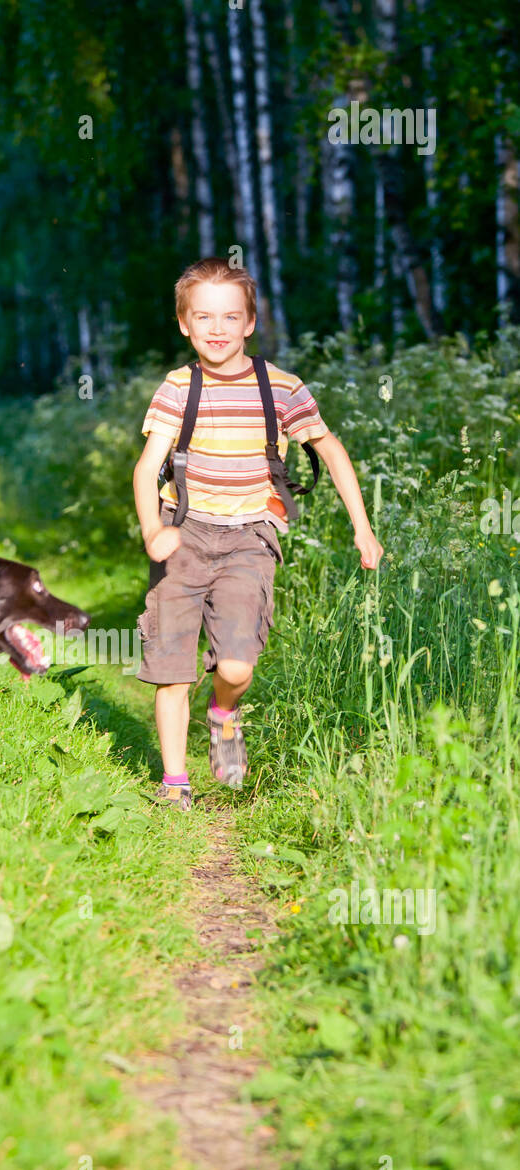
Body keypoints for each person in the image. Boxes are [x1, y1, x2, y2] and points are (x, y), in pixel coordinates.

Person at [133, 257, 383, 810]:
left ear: (250, 323)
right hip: (184, 532)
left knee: (237, 666)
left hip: (251, 535)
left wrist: (362, 529)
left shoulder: (281, 387)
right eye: (203, 317)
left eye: (230, 317)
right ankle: (175, 783)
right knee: (172, 666)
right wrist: (154, 530)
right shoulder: (177, 387)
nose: (217, 329)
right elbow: (145, 466)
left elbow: (331, 451)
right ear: (184, 324)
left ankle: (223, 713)